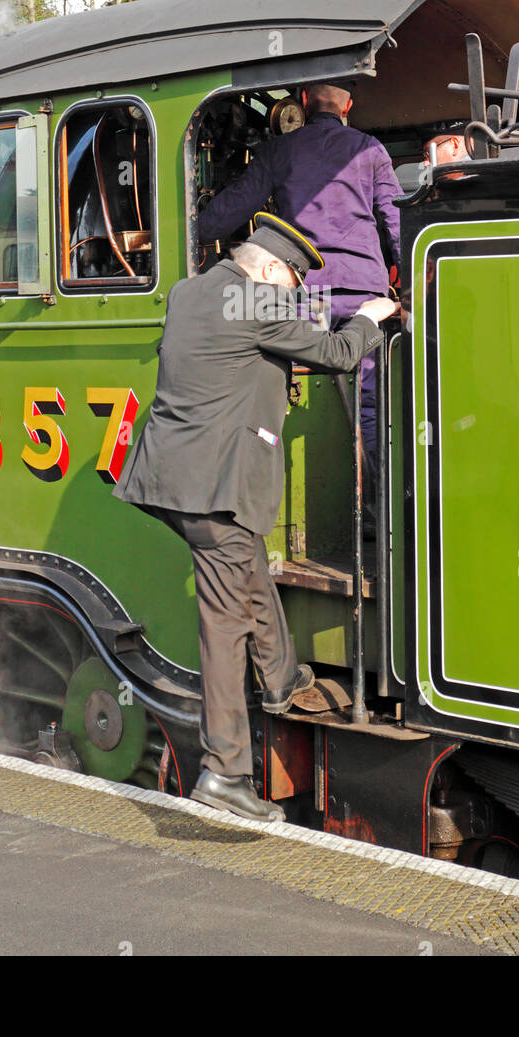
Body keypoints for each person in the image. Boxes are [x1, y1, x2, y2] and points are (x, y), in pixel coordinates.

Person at [113, 213, 395, 823]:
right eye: (290, 284)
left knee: (243, 569)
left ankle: (282, 679)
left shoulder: (192, 290)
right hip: (215, 488)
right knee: (223, 624)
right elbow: (337, 354)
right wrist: (369, 319)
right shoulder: (255, 304)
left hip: (170, 478)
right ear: (268, 269)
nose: (291, 296)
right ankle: (225, 772)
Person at [198, 81, 403, 465]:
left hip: (310, 291)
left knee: (294, 388)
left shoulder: (280, 149)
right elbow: (393, 218)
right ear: (348, 107)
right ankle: (380, 504)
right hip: (365, 292)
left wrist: (193, 226)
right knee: (372, 404)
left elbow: (236, 205)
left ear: (304, 102)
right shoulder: (370, 149)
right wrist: (407, 284)